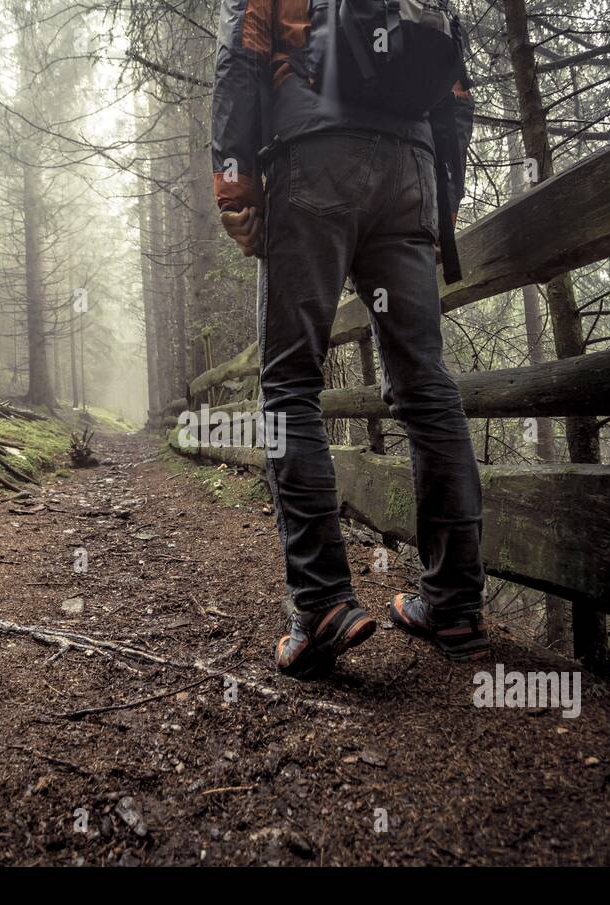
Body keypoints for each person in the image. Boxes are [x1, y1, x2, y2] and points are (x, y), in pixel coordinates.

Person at [210, 0, 487, 678]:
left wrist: (234, 176)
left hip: (314, 157)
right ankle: (453, 603)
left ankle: (324, 602)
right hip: (412, 167)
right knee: (426, 384)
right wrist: (443, 188)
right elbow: (454, 79)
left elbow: (241, 53)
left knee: (289, 382)